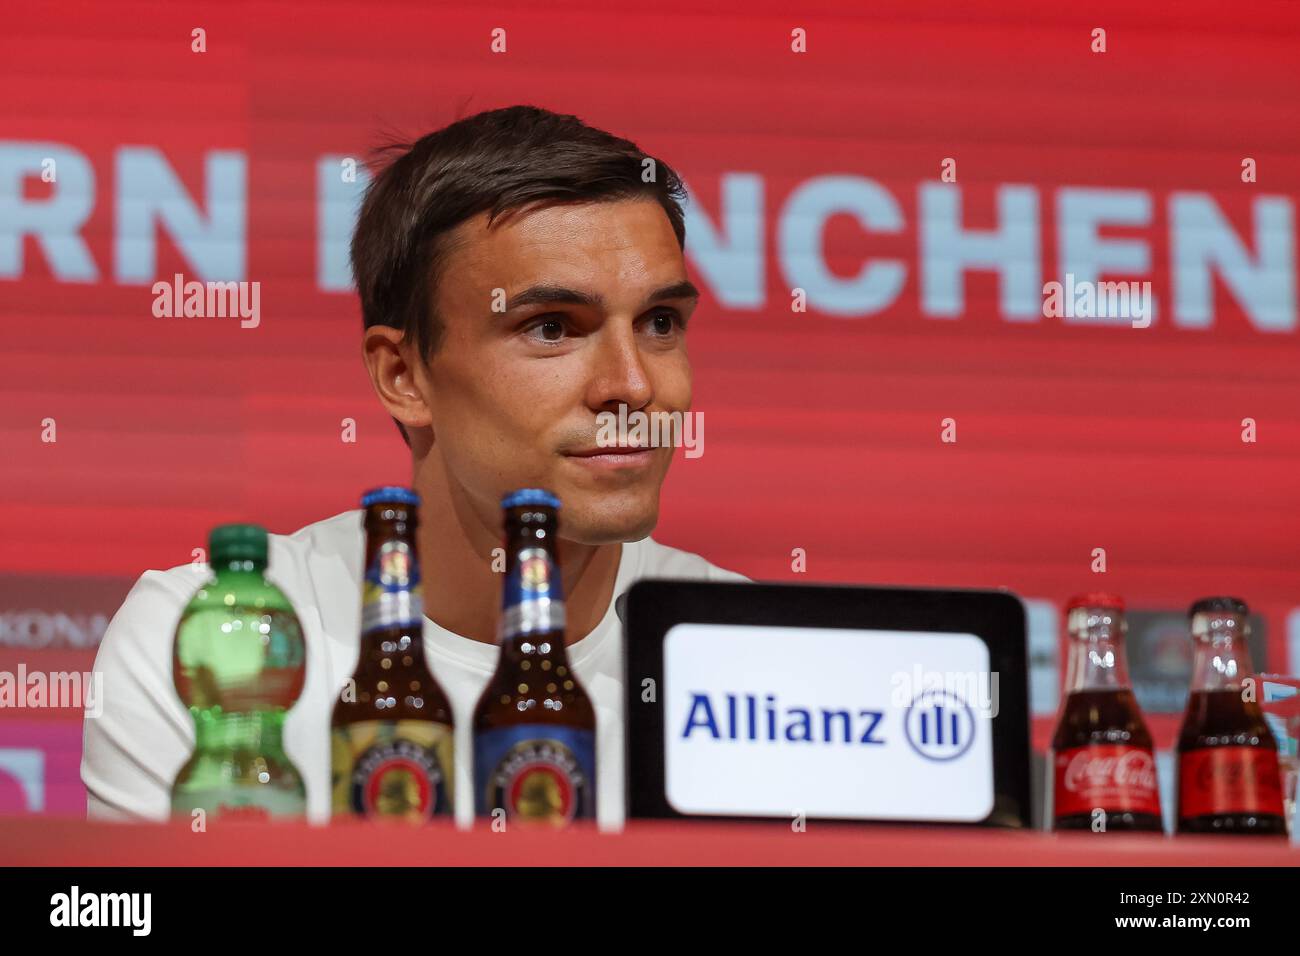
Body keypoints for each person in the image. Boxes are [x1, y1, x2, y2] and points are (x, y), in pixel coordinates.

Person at [82, 105, 746, 829]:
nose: (634, 385)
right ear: (403, 375)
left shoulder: (757, 660)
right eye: (552, 328)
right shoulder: (224, 636)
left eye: (659, 323)